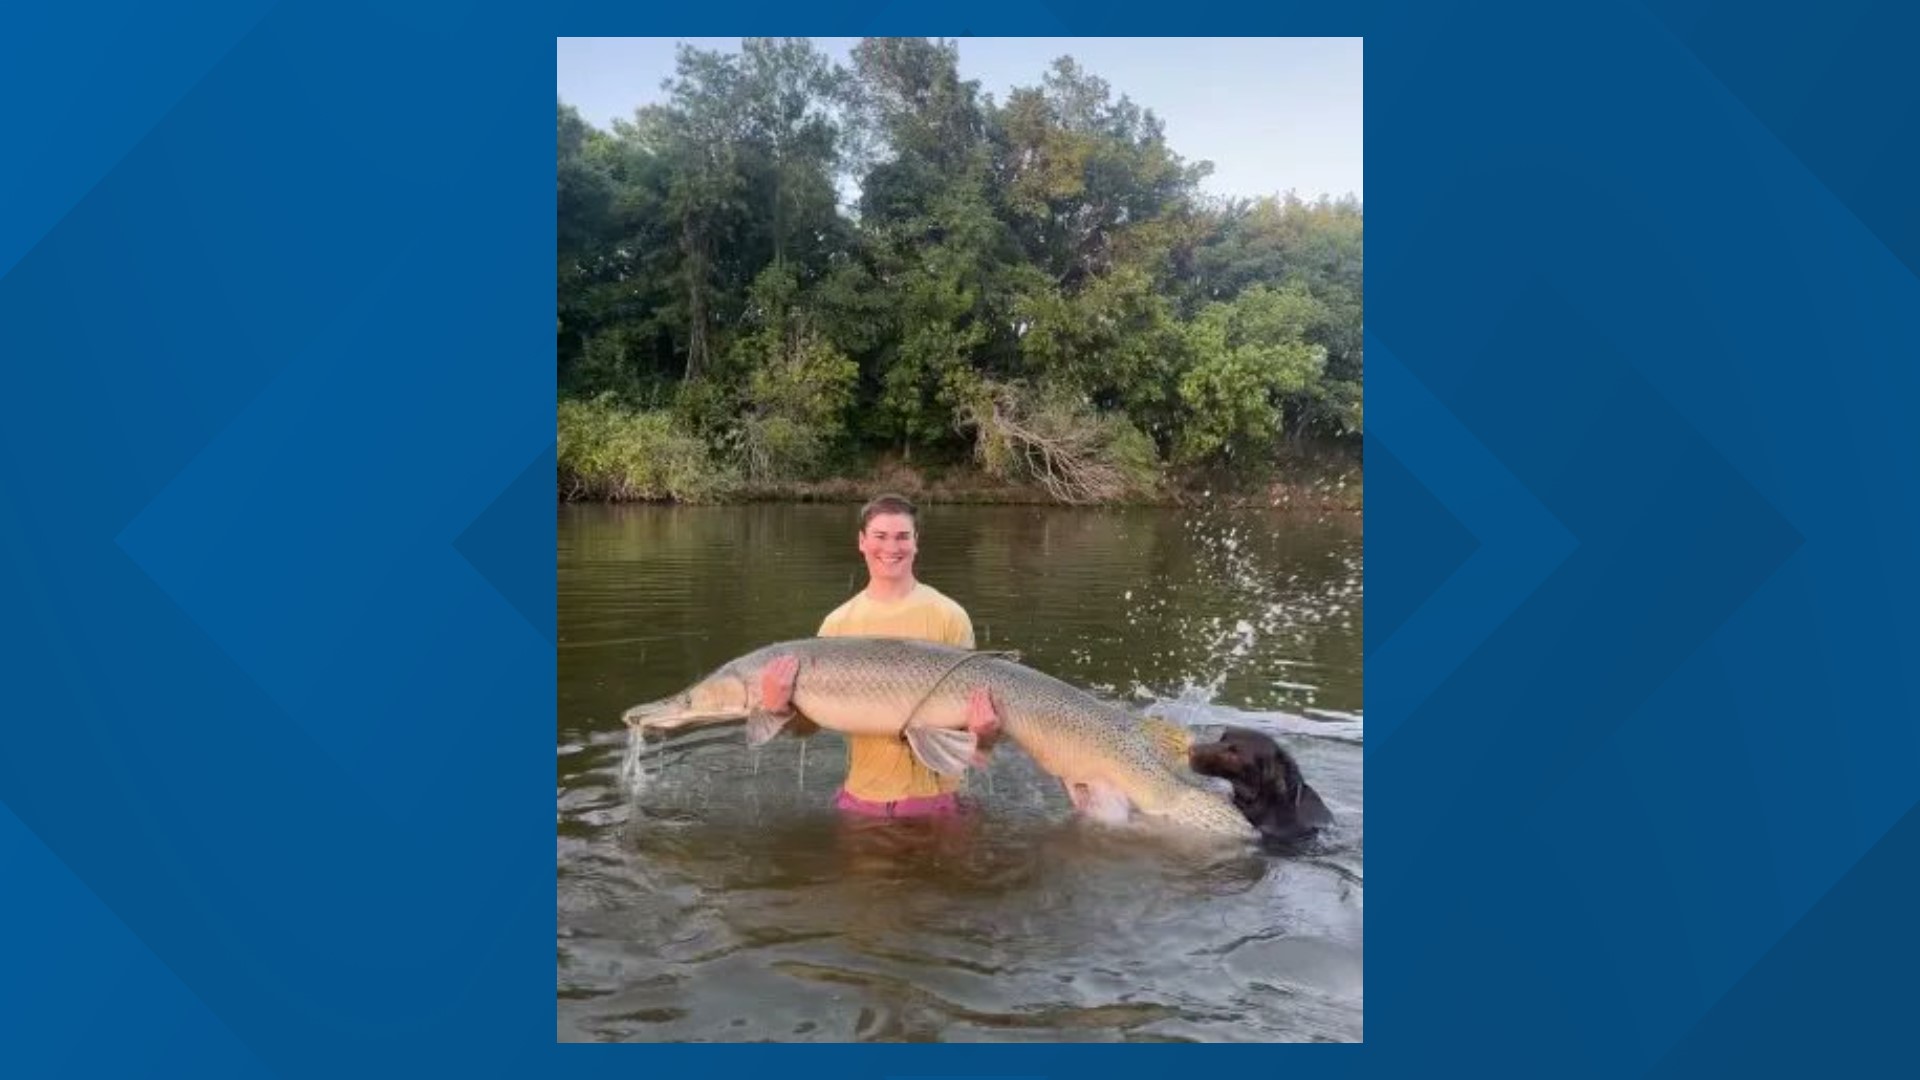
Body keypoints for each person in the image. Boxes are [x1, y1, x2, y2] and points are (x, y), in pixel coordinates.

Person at [759, 494, 1002, 819]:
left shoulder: (949, 616)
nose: (892, 547)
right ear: (861, 541)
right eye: (880, 536)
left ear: (917, 542)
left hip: (938, 803)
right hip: (861, 803)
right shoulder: (837, 625)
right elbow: (808, 728)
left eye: (903, 536)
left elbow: (976, 738)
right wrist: (778, 709)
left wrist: (985, 732)